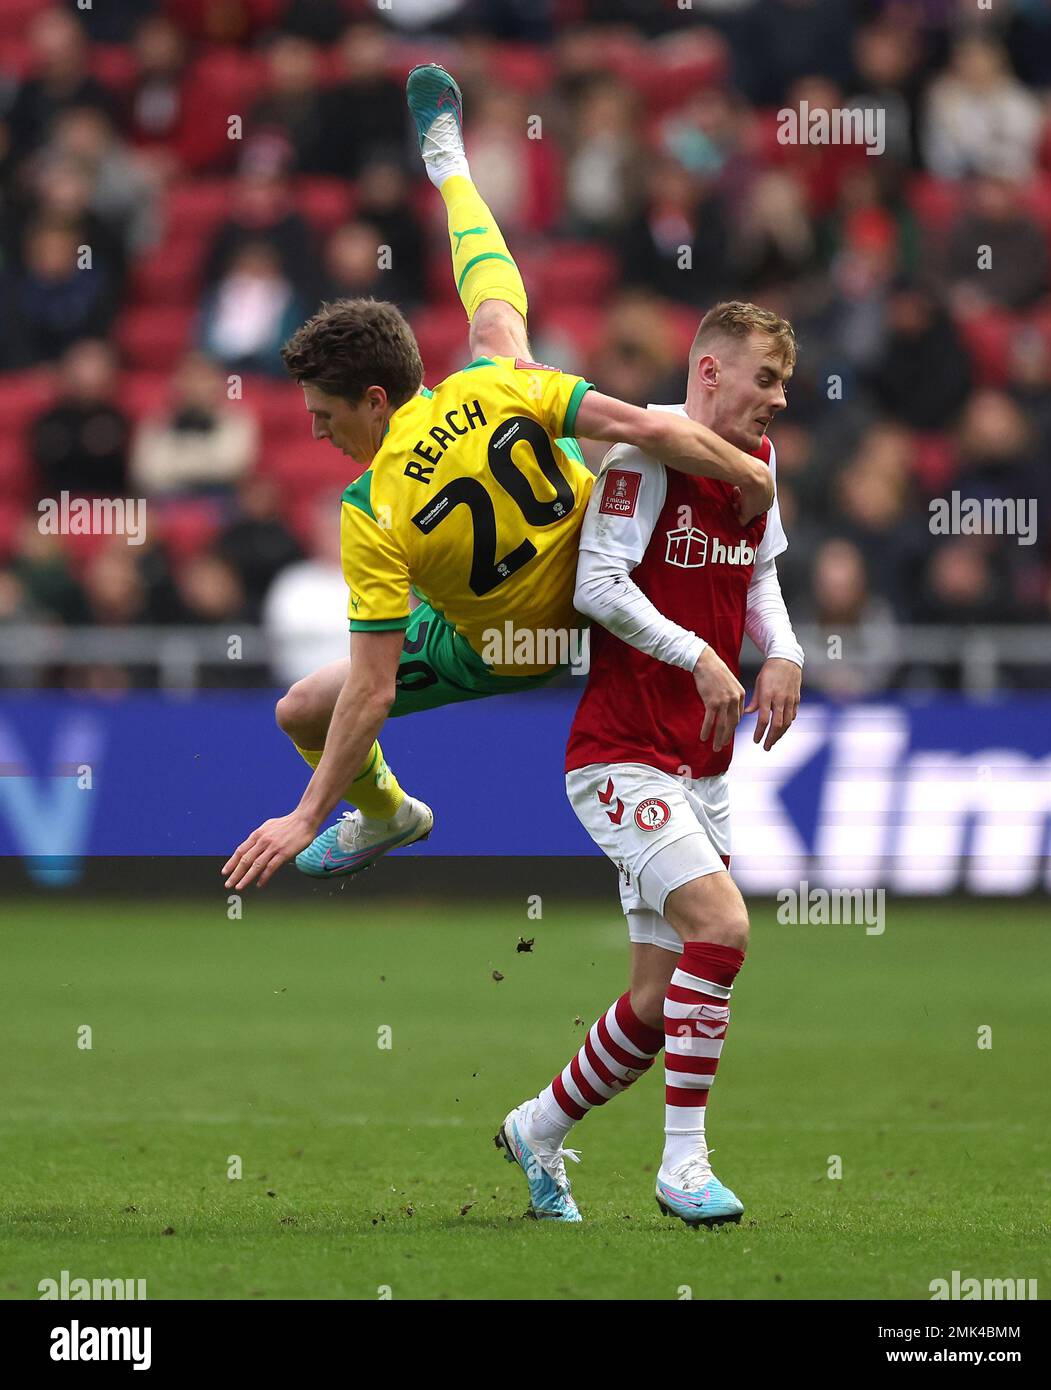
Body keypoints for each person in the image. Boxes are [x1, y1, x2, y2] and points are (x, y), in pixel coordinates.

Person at [222, 65, 774, 893]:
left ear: (374, 402)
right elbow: (649, 426)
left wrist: (303, 815)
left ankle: (387, 815)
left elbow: (368, 694)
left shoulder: (369, 509)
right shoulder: (498, 382)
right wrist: (748, 475)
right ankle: (449, 163)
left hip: (514, 651)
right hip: (613, 585)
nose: (314, 430)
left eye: (325, 415)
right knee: (497, 323)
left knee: (302, 709)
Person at [495, 301, 806, 1227]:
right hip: (621, 755)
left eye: (785, 383)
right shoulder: (641, 459)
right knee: (723, 927)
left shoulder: (759, 467)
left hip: (701, 766)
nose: (778, 400)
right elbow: (597, 585)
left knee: (653, 1000)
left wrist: (781, 652)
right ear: (708, 372)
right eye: (765, 380)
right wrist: (699, 655)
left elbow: (756, 574)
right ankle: (683, 1167)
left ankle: (536, 1128)